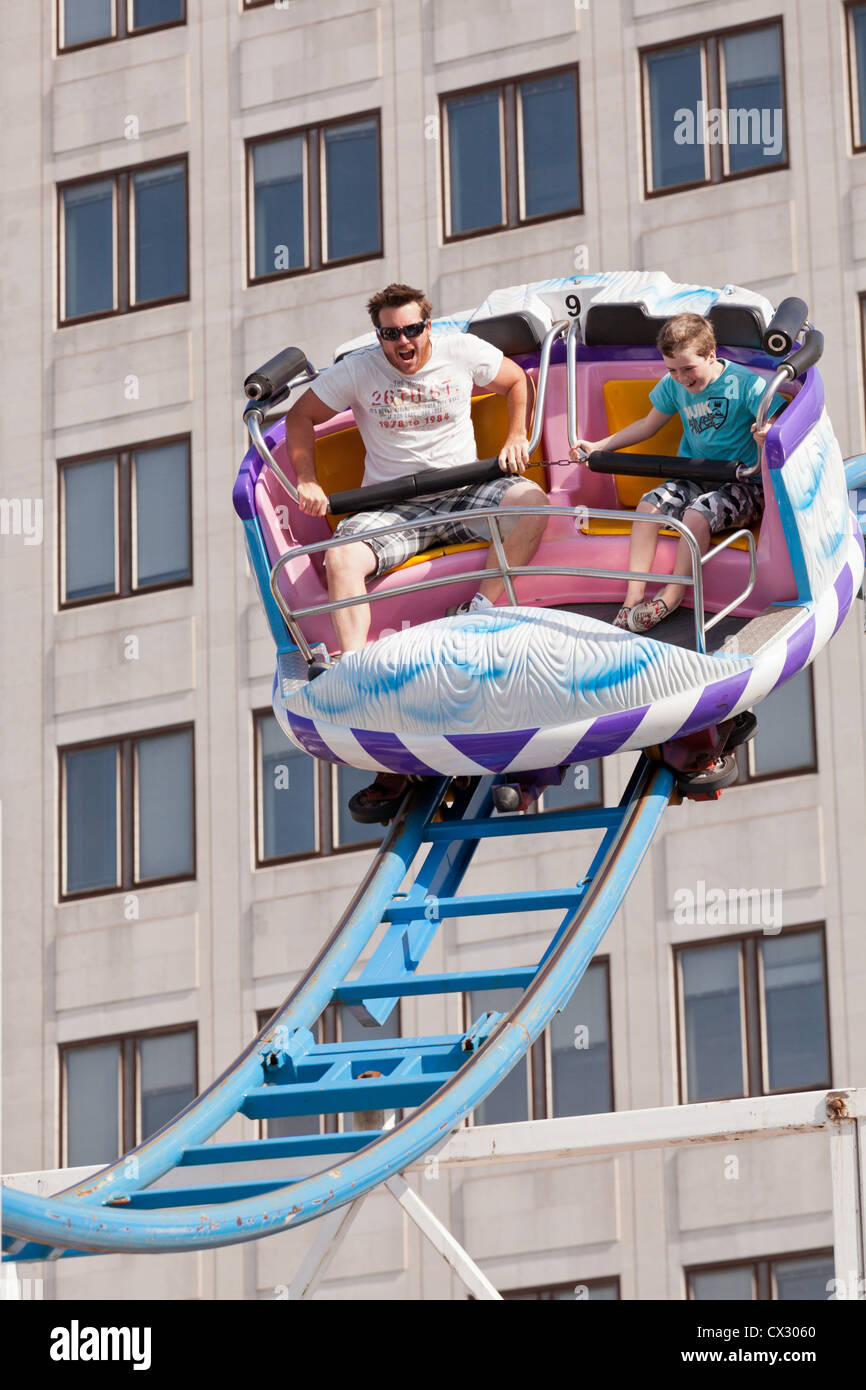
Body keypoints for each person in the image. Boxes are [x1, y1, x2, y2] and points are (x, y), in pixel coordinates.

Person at [283, 282, 549, 821]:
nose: (402, 342)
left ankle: (484, 609)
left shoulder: (459, 349)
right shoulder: (360, 369)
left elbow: (515, 381)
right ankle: (353, 671)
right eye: (390, 333)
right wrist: (307, 481)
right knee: (342, 557)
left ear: (428, 326)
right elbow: (299, 416)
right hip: (396, 506)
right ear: (379, 336)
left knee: (534, 502)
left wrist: (515, 435)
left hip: (462, 491)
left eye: (411, 329)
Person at [571, 313, 783, 632]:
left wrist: (767, 433)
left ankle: (672, 593)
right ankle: (632, 600)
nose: (681, 378)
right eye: (672, 370)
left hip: (741, 483)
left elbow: (780, 423)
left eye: (688, 369)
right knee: (647, 507)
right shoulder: (673, 384)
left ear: (711, 356)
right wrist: (598, 447)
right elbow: (647, 425)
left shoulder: (746, 384)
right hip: (693, 475)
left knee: (696, 515)